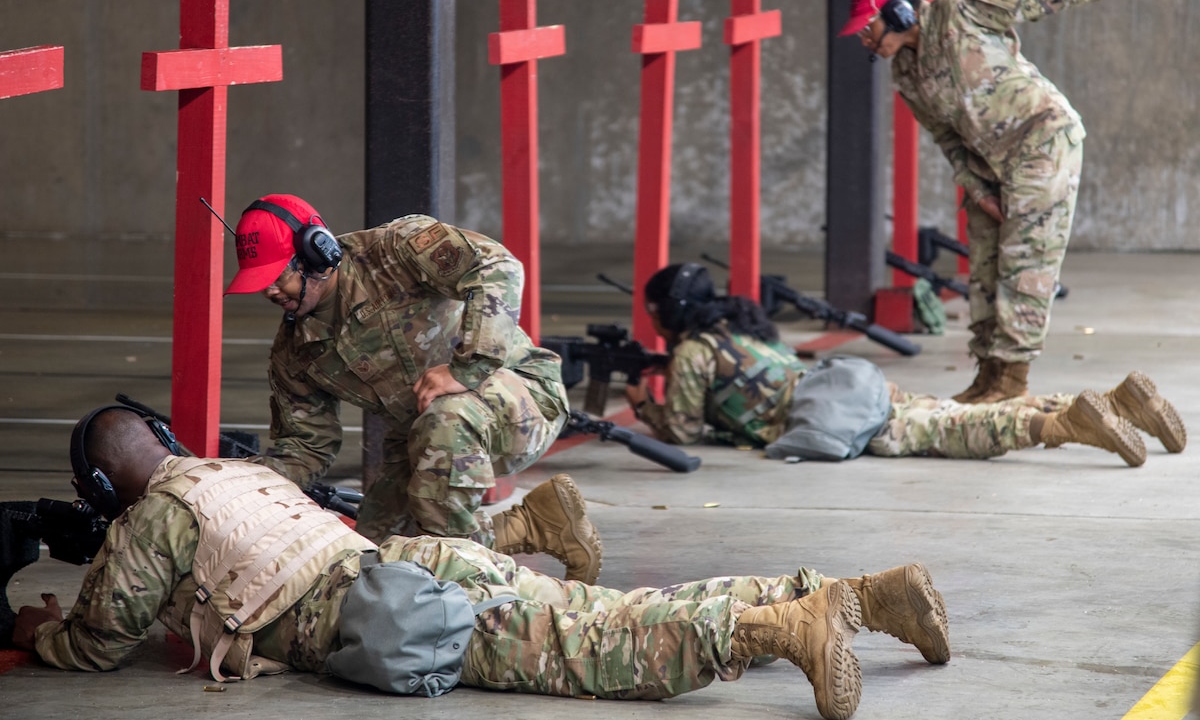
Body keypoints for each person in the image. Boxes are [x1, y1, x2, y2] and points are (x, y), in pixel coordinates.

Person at [13, 406, 953, 720]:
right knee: (615, 609)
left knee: (606, 648)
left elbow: (102, 641)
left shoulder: (154, 520)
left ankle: (778, 625)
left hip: (391, 609)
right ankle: (858, 595)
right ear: (165, 435)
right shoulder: (230, 469)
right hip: (417, 564)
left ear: (104, 489)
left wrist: (38, 633)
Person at [838, 0, 1173, 403]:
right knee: (986, 269)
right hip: (989, 167)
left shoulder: (962, 10)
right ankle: (988, 376)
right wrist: (977, 190)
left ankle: (1013, 382)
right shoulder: (906, 73)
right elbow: (947, 138)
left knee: (1025, 262)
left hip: (1042, 143)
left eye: (867, 26)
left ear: (898, 12)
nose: (863, 38)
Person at [222, 194, 601, 583]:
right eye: (261, 283)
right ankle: (536, 523)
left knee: (445, 422)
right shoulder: (295, 352)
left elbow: (498, 266)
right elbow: (305, 447)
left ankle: (478, 604)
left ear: (316, 253)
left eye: (277, 276)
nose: (270, 292)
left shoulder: (396, 250)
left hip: (523, 398)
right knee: (377, 567)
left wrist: (467, 368)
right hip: (424, 439)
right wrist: (236, 486)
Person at [625, 264, 1187, 466]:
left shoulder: (695, 353)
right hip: (848, 389)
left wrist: (642, 407)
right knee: (943, 410)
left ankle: (1067, 424)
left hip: (837, 418)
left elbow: (684, 429)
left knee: (956, 429)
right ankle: (1115, 404)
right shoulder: (741, 327)